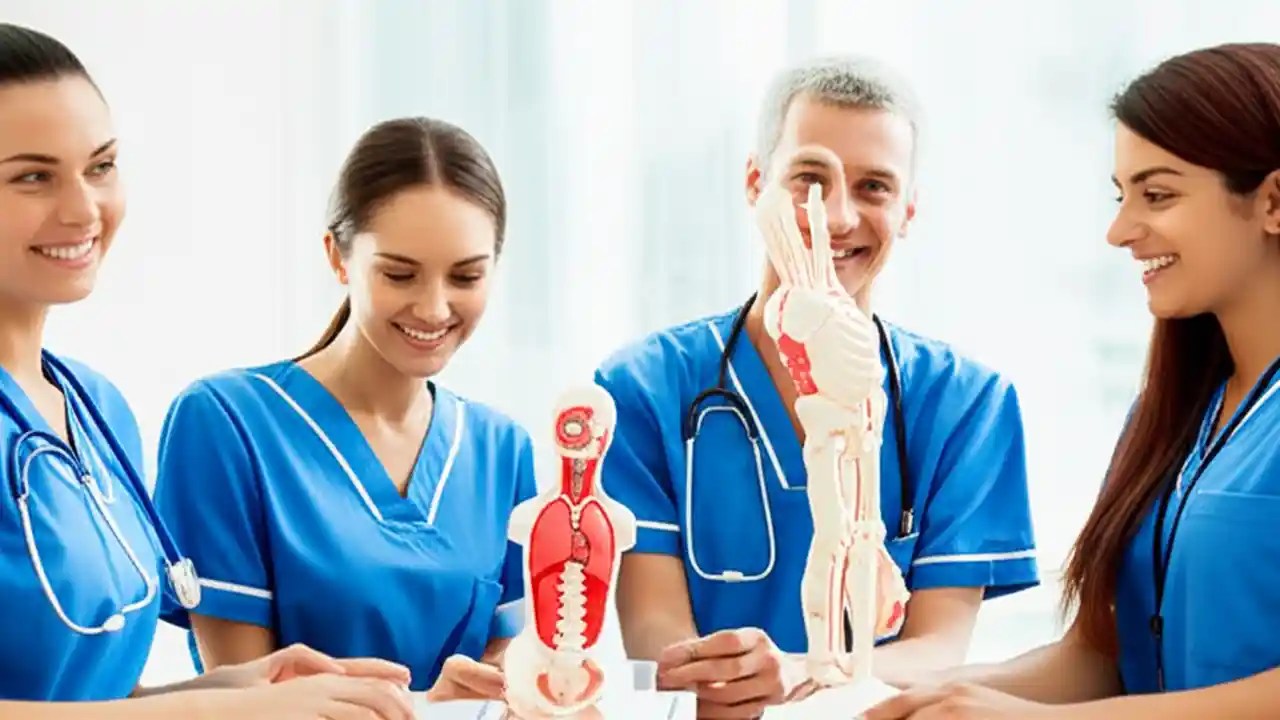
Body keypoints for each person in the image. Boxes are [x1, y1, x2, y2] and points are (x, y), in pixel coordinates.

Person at [593, 54, 1040, 716]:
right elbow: (657, 635)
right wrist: (736, 681)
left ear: (909, 210)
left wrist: (796, 675)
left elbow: (938, 649)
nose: (837, 218)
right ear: (754, 183)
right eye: (808, 179)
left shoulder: (966, 404)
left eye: (875, 188)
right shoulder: (642, 389)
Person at [0, 22, 414, 719]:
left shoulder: (94, 410)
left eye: (101, 166)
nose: (83, 209)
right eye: (32, 177)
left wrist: (244, 688)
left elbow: (90, 695)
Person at [865, 42, 1280, 720]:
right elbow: (1100, 655)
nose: (1120, 231)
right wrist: (934, 697)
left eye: (1159, 194)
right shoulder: (1171, 413)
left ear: (1273, 201)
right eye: (1122, 197)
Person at [151, 115, 535, 701]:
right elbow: (240, 704)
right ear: (338, 257)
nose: (434, 309)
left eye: (466, 276)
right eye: (400, 273)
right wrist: (426, 709)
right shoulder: (225, 424)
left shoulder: (502, 450)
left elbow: (505, 676)